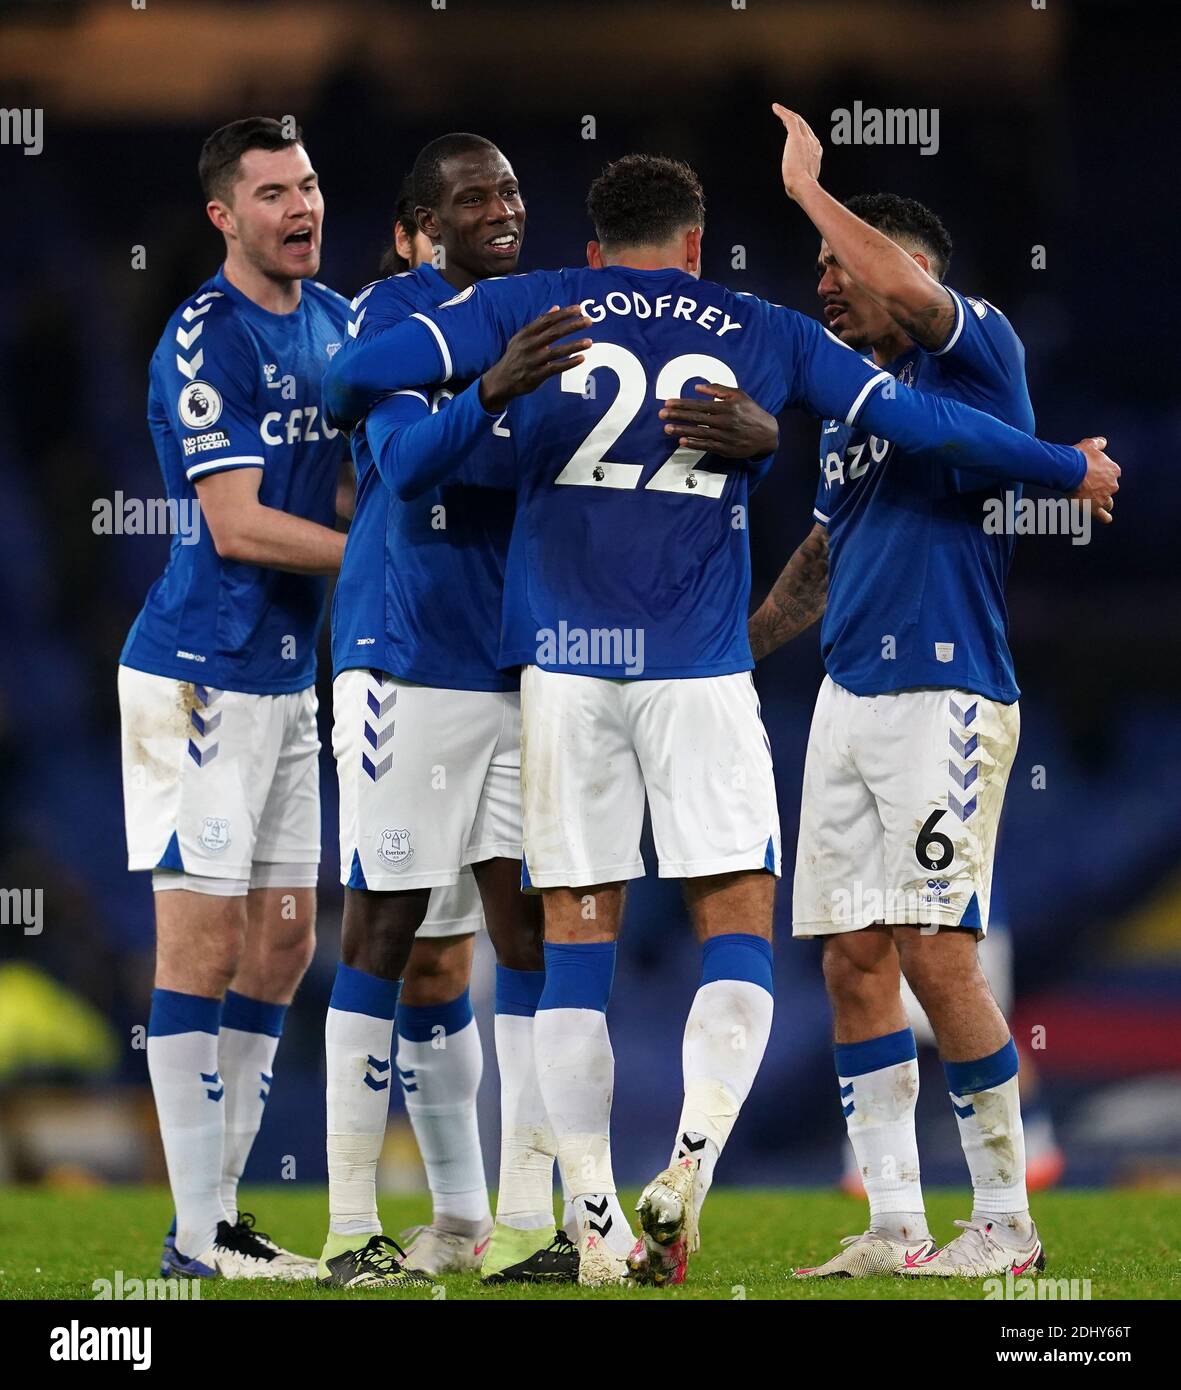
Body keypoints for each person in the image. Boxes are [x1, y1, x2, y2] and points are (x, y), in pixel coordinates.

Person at [323, 149, 1115, 1285]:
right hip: (697, 671)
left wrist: (488, 383)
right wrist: (1058, 464)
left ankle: (590, 1222)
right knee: (749, 922)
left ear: (593, 247)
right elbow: (930, 433)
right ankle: (697, 1168)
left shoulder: (533, 302)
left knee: (573, 944)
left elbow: (359, 383)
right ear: (697, 245)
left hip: (564, 671)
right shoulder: (769, 330)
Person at [748, 107, 1115, 1278]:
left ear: (898, 270)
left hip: (944, 697)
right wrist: (735, 652)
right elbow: (820, 556)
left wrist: (810, 192)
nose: (822, 289)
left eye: (835, 268)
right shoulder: (856, 409)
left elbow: (903, 294)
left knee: (934, 951)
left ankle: (1005, 1223)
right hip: (849, 701)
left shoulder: (976, 350)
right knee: (851, 957)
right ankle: (896, 1224)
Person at [118, 116, 349, 1281]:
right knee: (201, 951)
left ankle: (206, 1222)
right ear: (224, 216)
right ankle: (202, 1233)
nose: (299, 208)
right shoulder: (205, 342)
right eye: (271, 194)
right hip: (196, 677)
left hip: (283, 679)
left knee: (281, 950)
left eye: (306, 186)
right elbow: (237, 523)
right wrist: (377, 561)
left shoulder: (338, 319)